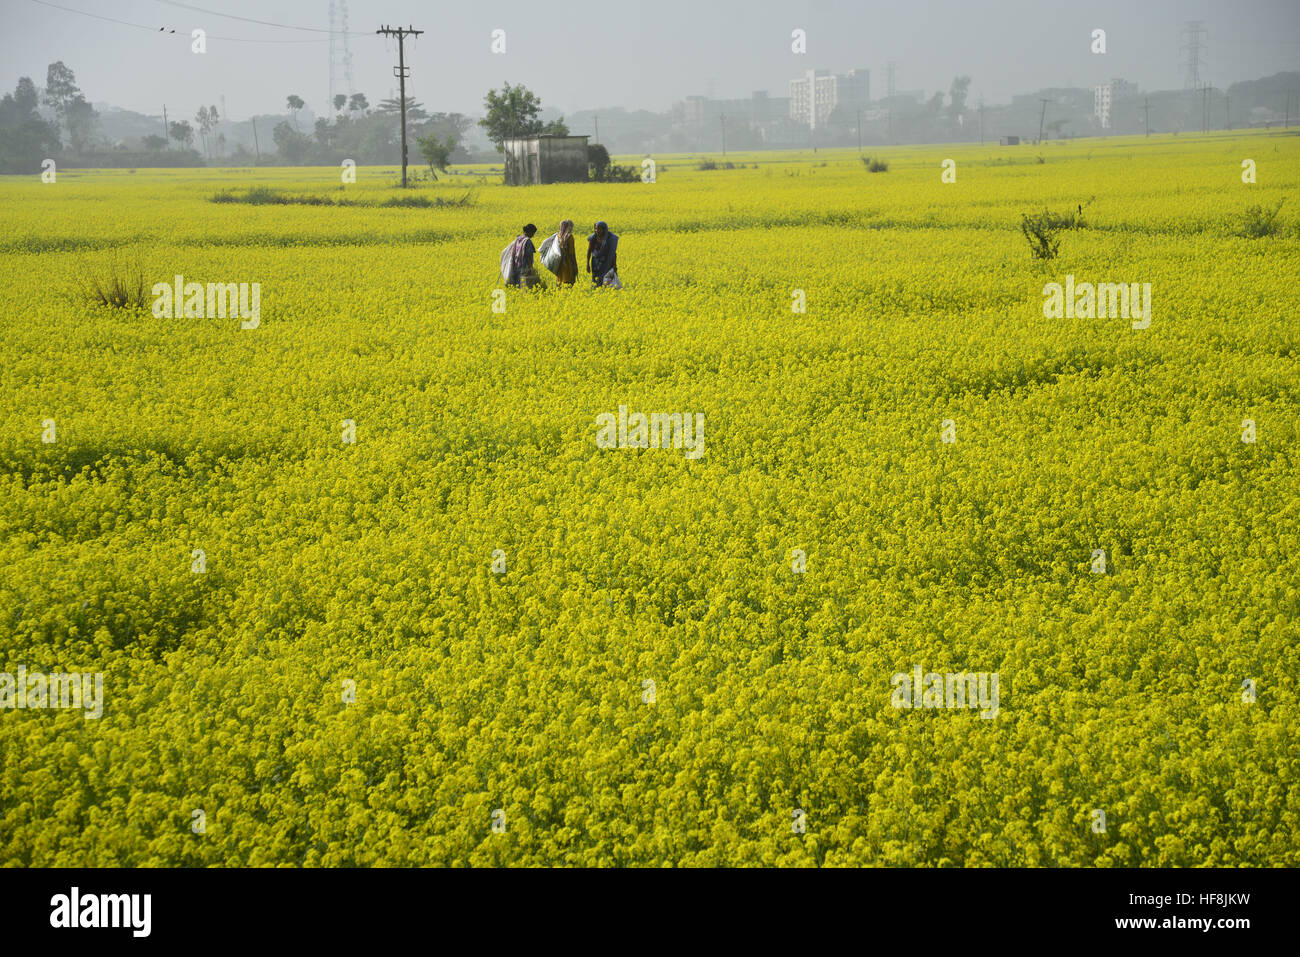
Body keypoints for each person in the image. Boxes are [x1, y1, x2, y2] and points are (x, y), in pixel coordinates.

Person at [586, 221, 619, 287]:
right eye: (595, 228)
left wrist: (615, 264)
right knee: (596, 279)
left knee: (607, 280)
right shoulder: (593, 238)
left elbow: (613, 253)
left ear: (603, 229)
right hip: (595, 263)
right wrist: (587, 264)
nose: (596, 230)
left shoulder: (609, 238)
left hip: (607, 262)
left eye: (598, 229)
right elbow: (589, 251)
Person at [507, 224, 539, 288]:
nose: (533, 235)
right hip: (524, 266)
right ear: (529, 232)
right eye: (532, 233)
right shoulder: (527, 241)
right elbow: (529, 255)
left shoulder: (518, 239)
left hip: (516, 265)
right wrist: (530, 267)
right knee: (525, 285)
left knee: (518, 284)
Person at [554, 219, 578, 286]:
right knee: (568, 283)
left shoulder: (557, 236)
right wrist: (575, 265)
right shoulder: (569, 237)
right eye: (571, 227)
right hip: (567, 264)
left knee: (559, 283)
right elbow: (571, 253)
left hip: (559, 264)